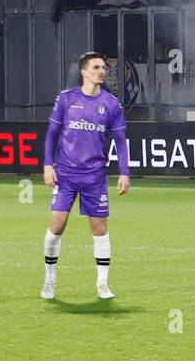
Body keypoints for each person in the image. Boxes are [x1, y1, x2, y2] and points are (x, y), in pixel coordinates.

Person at [41, 52, 130, 301]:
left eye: (103, 67)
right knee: (57, 226)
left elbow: (121, 141)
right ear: (84, 72)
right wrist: (48, 165)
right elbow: (52, 133)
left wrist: (124, 172)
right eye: (97, 67)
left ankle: (102, 284)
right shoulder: (66, 99)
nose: (102, 71)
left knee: (100, 229)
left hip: (95, 177)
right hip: (66, 175)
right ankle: (50, 278)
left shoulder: (111, 104)